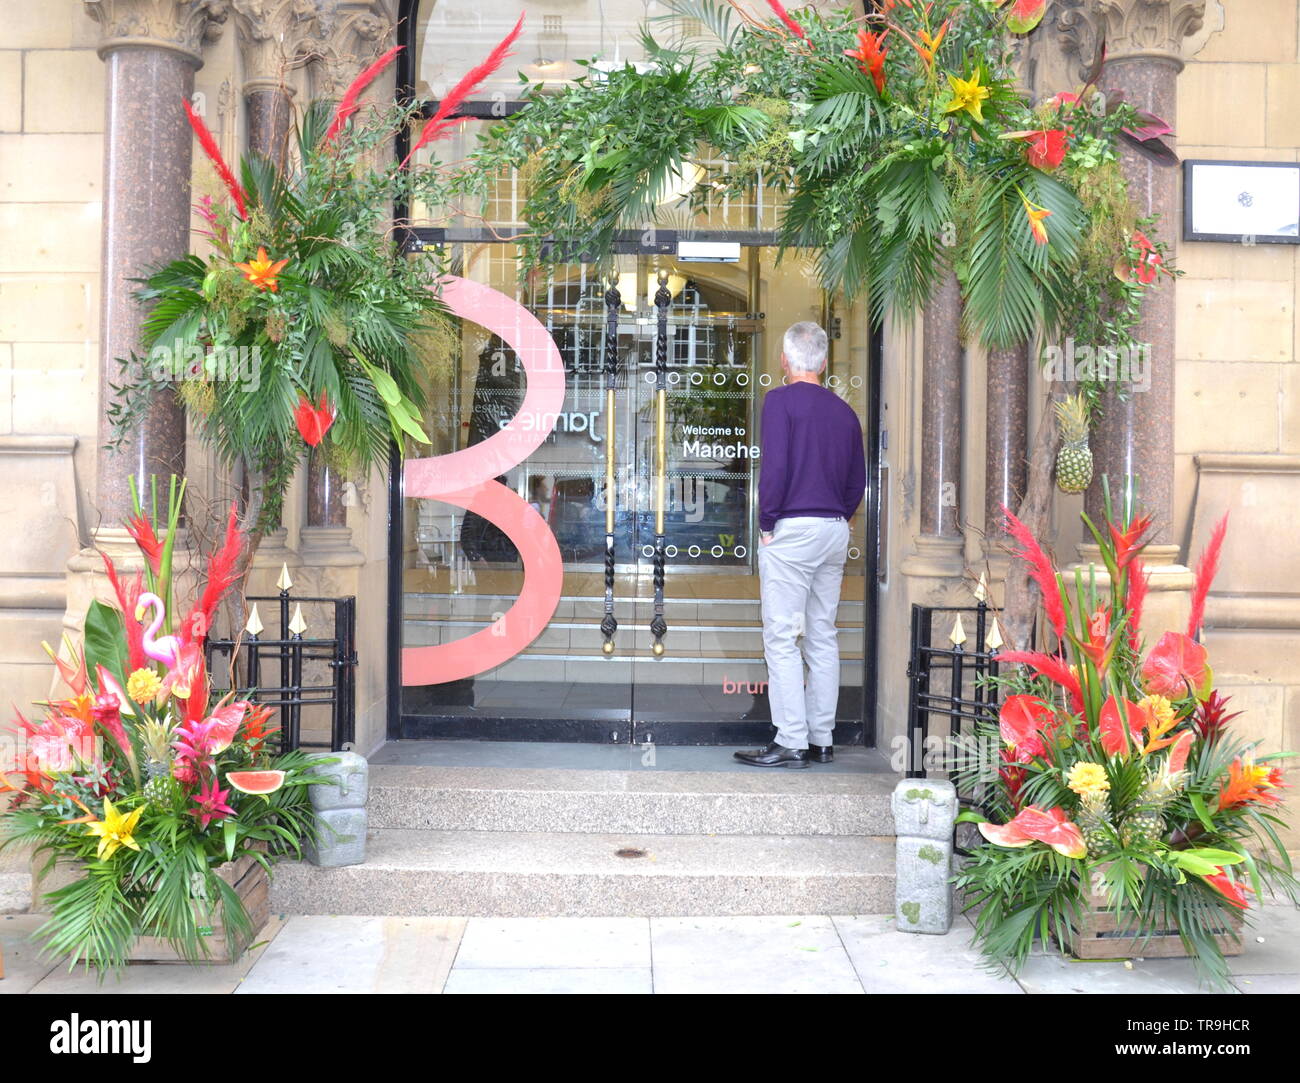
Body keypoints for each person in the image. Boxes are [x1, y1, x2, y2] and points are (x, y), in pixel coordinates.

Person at [734, 322, 866, 769]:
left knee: (783, 636)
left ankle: (791, 739)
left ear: (785, 362)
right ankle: (822, 738)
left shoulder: (780, 402)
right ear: (824, 363)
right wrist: (840, 518)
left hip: (793, 531)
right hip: (833, 529)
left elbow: (775, 468)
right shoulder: (846, 412)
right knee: (823, 635)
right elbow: (857, 481)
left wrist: (767, 522)